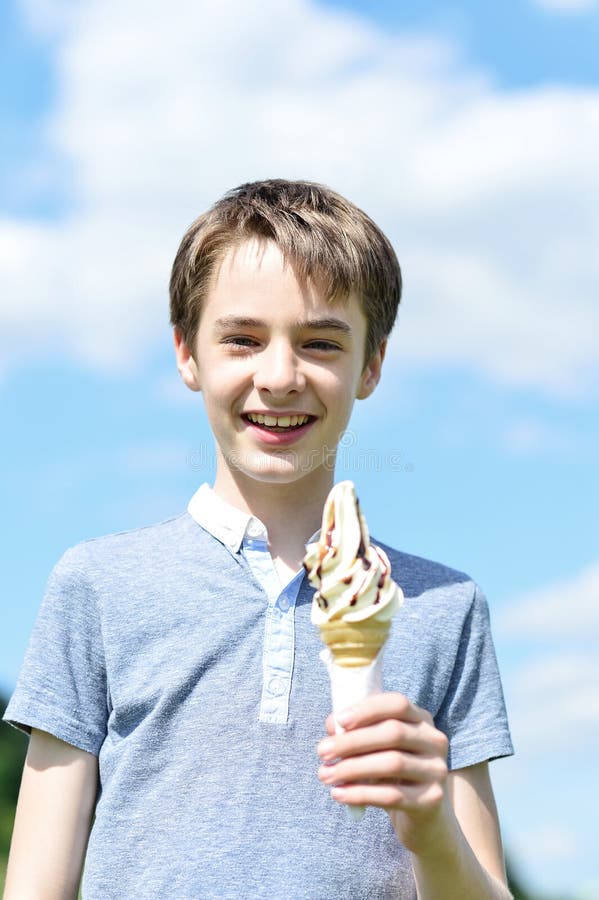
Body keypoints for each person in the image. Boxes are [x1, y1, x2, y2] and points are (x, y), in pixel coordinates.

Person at [2, 179, 514, 899]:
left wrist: (433, 833)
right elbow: (34, 885)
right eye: (242, 339)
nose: (279, 376)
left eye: (320, 343)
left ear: (371, 364)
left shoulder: (444, 607)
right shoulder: (96, 584)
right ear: (187, 353)